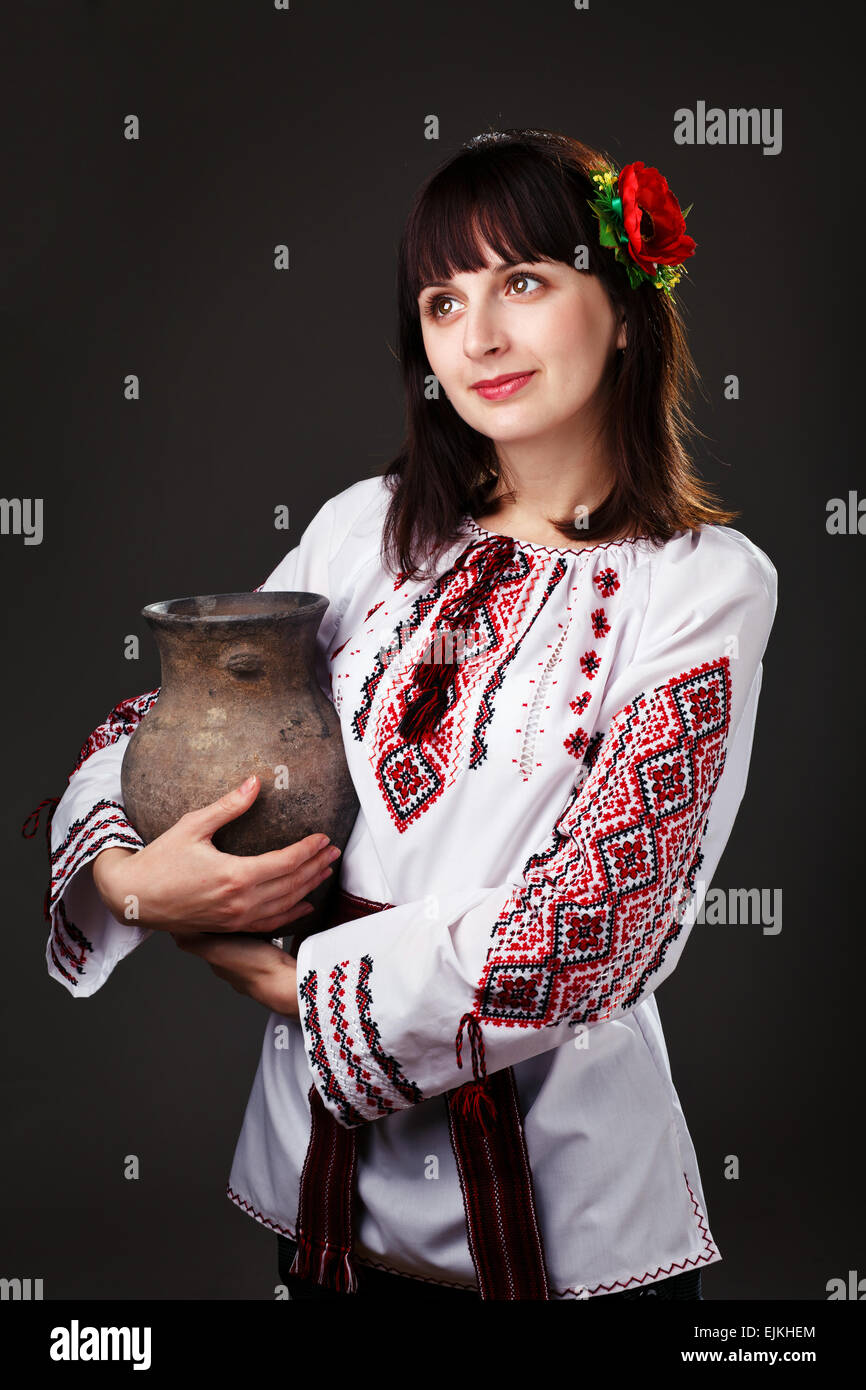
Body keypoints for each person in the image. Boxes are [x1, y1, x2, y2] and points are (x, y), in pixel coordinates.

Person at [31, 129, 778, 1301]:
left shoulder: (700, 584)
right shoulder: (369, 529)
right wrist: (136, 880)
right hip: (320, 1193)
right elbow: (181, 711)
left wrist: (298, 987)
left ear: (626, 306)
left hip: (561, 1215)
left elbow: (597, 926)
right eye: (442, 299)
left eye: (523, 282)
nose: (478, 336)